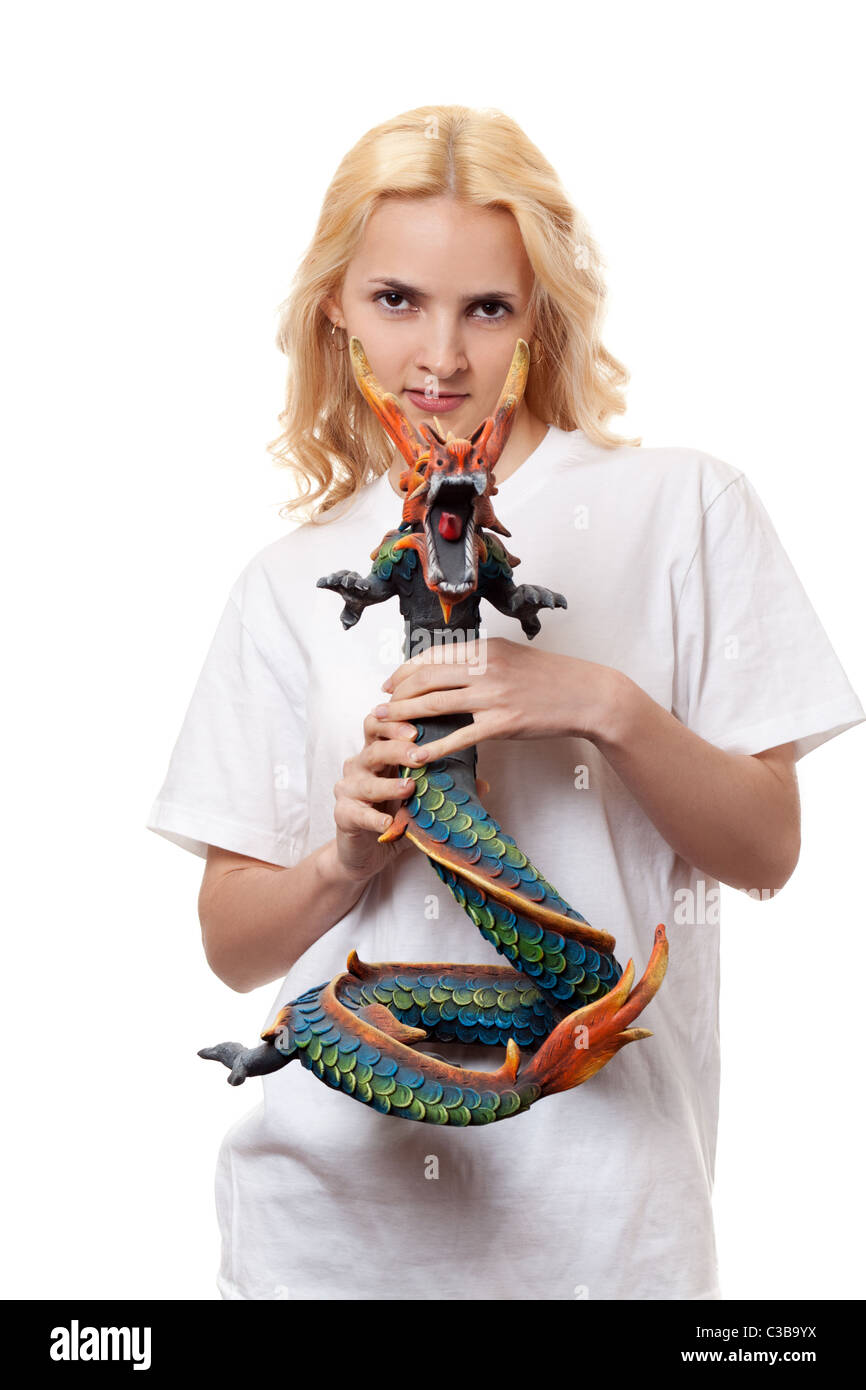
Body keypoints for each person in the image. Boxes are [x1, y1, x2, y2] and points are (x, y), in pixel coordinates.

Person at [146, 105, 865, 1300]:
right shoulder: (288, 577)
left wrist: (600, 702)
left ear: (538, 311)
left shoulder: (684, 506)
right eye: (395, 301)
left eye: (486, 306)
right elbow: (230, 944)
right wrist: (339, 857)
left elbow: (766, 851)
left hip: (606, 1228)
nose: (439, 356)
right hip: (323, 1233)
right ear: (334, 306)